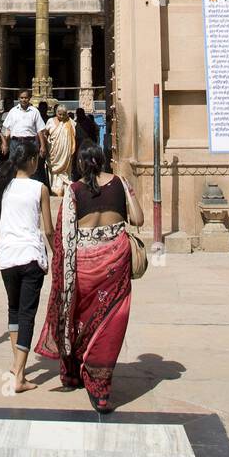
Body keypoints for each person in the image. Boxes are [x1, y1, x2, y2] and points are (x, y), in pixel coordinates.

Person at [36, 143, 144, 412]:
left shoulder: (73, 191)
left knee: (81, 316)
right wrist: (128, 193)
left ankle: (76, 369)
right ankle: (100, 383)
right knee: (111, 319)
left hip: (83, 263)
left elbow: (64, 236)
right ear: (105, 159)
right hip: (115, 261)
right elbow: (139, 220)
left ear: (81, 164)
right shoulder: (119, 183)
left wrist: (61, 268)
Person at [0, 138, 54, 394]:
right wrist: (57, 252)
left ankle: (17, 366)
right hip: (30, 257)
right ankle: (19, 376)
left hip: (7, 257)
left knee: (14, 310)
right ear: (32, 161)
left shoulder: (1, 188)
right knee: (27, 314)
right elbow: (48, 229)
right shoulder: (39, 188)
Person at [2, 90, 48, 187]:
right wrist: (5, 144)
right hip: (15, 142)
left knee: (31, 166)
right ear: (19, 98)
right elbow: (7, 129)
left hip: (30, 142)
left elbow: (40, 130)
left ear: (29, 98)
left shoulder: (35, 111)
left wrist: (42, 146)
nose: (24, 100)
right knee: (13, 165)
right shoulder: (13, 111)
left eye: (26, 98)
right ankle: (12, 187)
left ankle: (31, 188)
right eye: (22, 98)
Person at [45, 105, 76, 195]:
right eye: (60, 114)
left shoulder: (70, 122)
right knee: (54, 175)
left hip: (66, 154)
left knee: (65, 173)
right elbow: (45, 134)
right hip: (54, 153)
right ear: (56, 113)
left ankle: (66, 192)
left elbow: (73, 136)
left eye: (64, 114)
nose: (62, 117)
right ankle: (55, 190)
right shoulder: (50, 121)